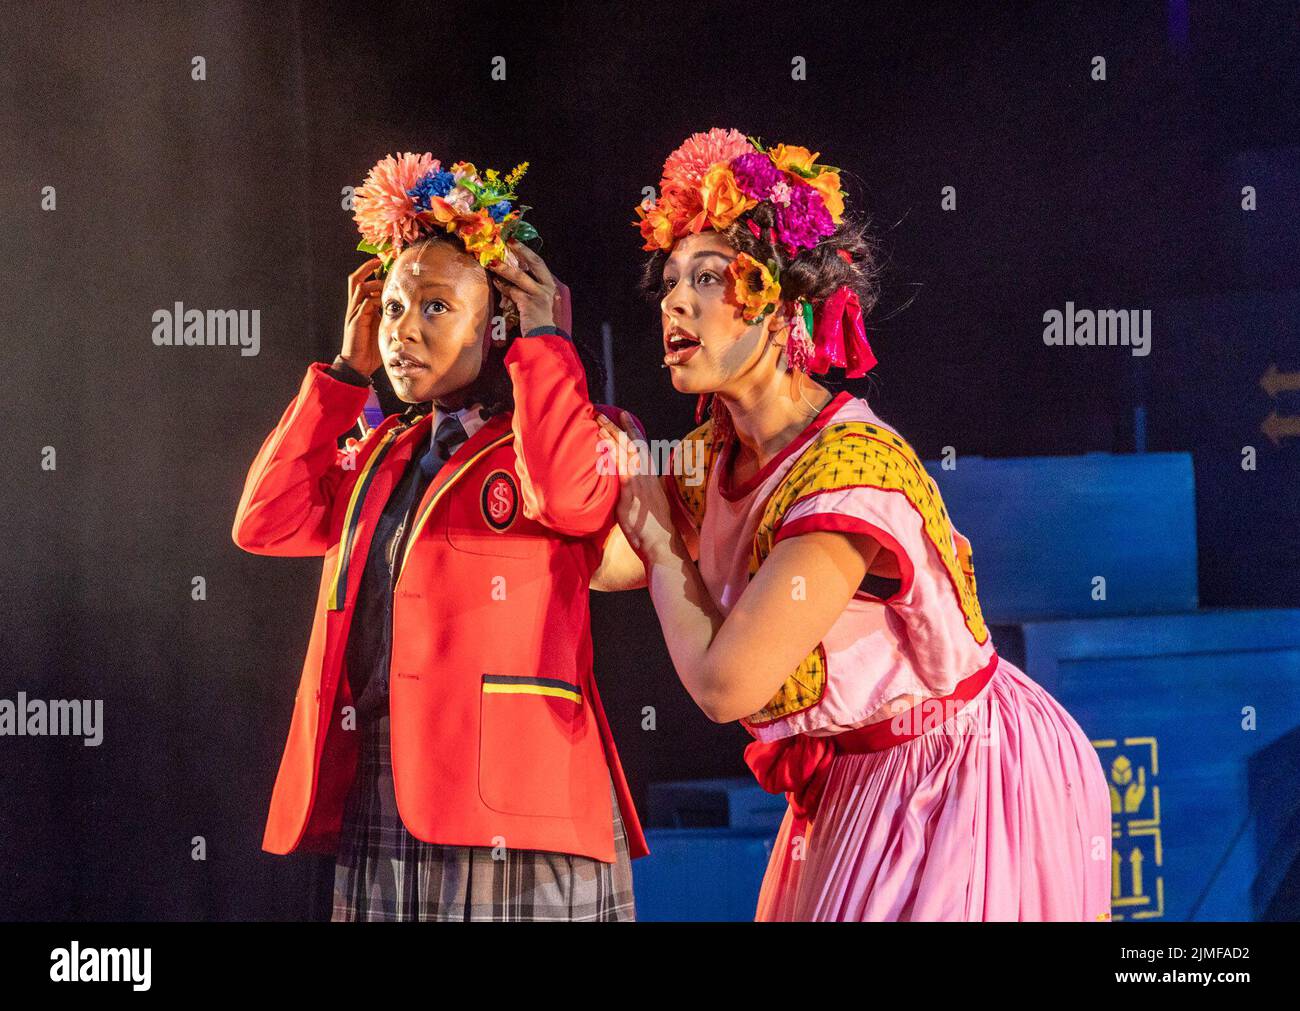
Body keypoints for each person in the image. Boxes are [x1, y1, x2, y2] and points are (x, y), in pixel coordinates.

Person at [591, 128, 1111, 921]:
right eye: (670, 280)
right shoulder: (716, 453)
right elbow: (602, 559)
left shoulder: (847, 473)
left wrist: (663, 539)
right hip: (859, 783)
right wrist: (540, 371)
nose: (674, 301)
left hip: (952, 776)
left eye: (708, 277)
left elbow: (726, 683)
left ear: (781, 305)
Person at [232, 152, 646, 921]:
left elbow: (571, 501)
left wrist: (546, 344)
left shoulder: (564, 434)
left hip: (516, 808)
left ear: (497, 323)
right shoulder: (383, 452)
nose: (403, 332)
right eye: (391, 308)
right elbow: (266, 520)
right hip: (386, 797)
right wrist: (343, 375)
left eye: (433, 308)